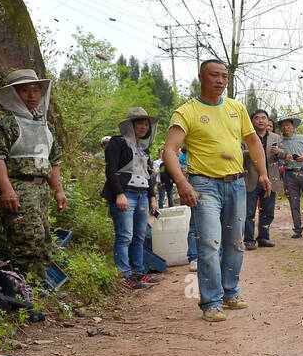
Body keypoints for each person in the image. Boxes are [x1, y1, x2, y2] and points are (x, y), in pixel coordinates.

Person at [161, 59, 270, 323]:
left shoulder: (236, 108)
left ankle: (231, 292)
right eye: (214, 75)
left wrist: (264, 172)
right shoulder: (186, 112)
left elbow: (253, 141)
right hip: (204, 185)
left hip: (236, 183)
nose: (220, 81)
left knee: (235, 242)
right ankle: (211, 301)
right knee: (210, 243)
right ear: (201, 77)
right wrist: (182, 182)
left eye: (224, 76)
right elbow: (169, 151)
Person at [0, 69, 68, 286]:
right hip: (18, 187)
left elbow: (53, 160)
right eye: (25, 90)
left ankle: (38, 288)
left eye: (35, 90)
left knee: (43, 240)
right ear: (13, 94)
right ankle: (23, 291)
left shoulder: (43, 122)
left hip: (40, 189)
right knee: (28, 241)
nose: (32, 95)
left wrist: (58, 190)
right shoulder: (2, 120)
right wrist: (7, 190)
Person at [102, 107, 161, 289]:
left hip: (142, 194)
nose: (143, 127)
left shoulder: (143, 148)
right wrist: (119, 194)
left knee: (139, 236)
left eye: (146, 124)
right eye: (139, 123)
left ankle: (138, 272)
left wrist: (152, 197)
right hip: (125, 194)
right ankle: (124, 275)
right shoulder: (118, 143)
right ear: (130, 125)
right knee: (125, 235)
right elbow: (110, 170)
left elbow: (148, 175)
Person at [243, 109, 282, 250]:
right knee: (249, 212)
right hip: (251, 179)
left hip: (270, 179)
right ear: (252, 121)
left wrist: (279, 152)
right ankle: (248, 240)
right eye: (257, 118)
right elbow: (238, 154)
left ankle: (264, 238)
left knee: (268, 210)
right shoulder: (245, 137)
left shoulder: (276, 138)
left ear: (268, 121)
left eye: (263, 118)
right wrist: (252, 151)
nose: (260, 120)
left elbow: (285, 154)